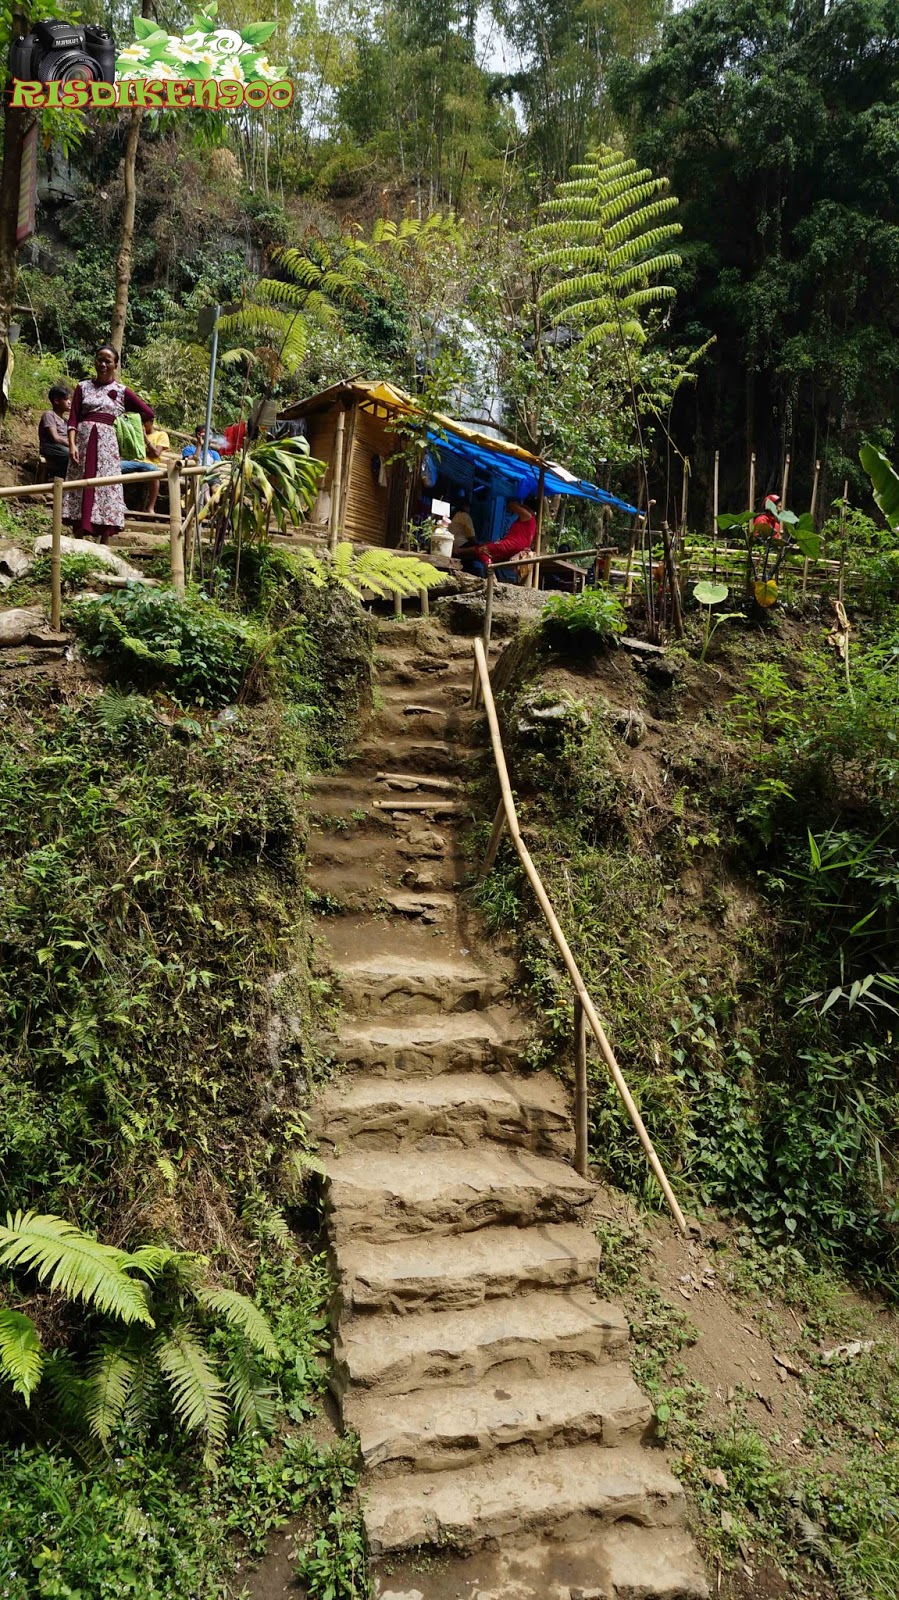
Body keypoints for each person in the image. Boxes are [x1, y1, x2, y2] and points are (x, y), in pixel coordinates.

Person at [64, 346, 154, 544]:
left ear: (115, 365)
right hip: (83, 442)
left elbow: (147, 412)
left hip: (107, 446)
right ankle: (78, 532)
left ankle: (103, 537)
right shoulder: (83, 387)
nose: (103, 364)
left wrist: (126, 424)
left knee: (106, 485)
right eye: (99, 359)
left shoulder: (121, 391)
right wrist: (72, 445)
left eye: (108, 361)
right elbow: (73, 420)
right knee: (81, 481)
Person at [459, 497, 538, 582]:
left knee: (483, 550)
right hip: (516, 546)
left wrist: (517, 503)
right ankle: (459, 552)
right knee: (483, 548)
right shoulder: (532, 522)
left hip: (512, 544)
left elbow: (512, 506)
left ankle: (492, 578)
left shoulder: (527, 515)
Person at [38, 385, 72, 478]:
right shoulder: (49, 415)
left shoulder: (65, 420)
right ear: (56, 401)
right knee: (69, 454)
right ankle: (59, 478)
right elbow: (55, 437)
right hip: (50, 447)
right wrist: (71, 445)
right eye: (66, 399)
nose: (69, 402)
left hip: (63, 446)